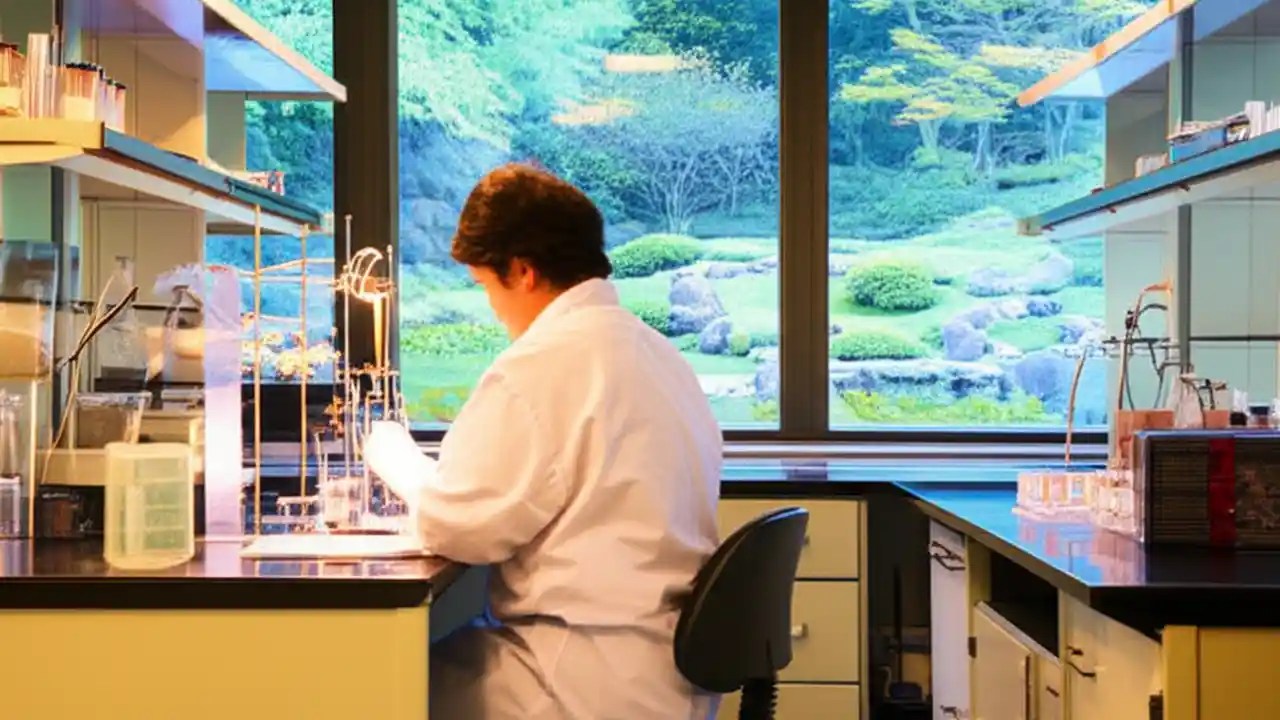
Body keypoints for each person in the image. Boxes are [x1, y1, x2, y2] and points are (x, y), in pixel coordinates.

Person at [364, 163, 723, 719]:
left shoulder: (542, 366)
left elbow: (458, 526)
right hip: (664, 677)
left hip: (581, 683)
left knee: (363, 687)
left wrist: (393, 457)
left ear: (523, 271)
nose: (491, 307)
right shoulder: (660, 355)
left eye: (485, 285)